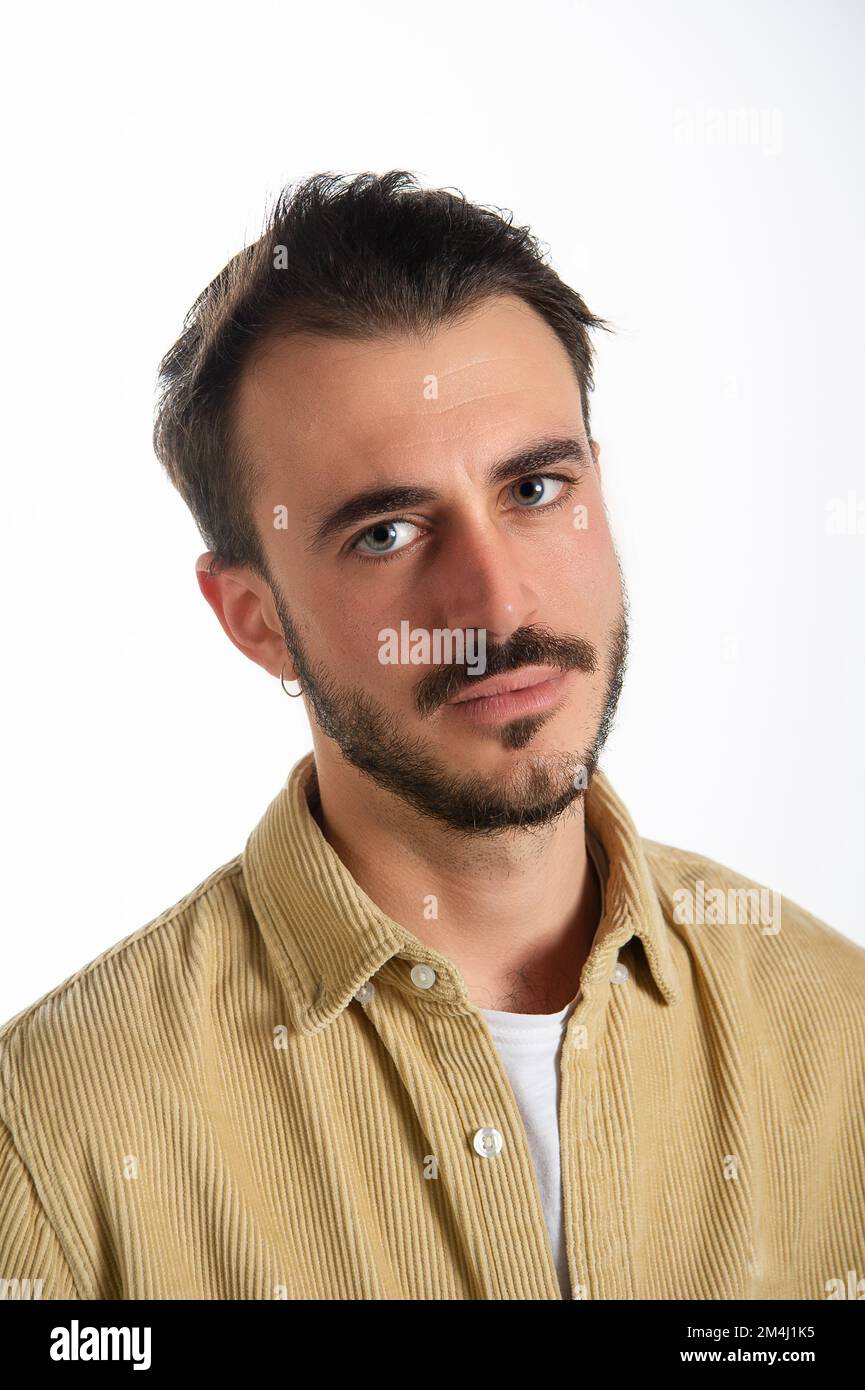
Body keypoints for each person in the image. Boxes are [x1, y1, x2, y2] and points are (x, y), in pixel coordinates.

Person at [2, 170, 863, 1301]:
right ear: (255, 620)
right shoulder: (53, 1134)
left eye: (536, 488)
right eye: (387, 531)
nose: (498, 606)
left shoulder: (836, 1033)